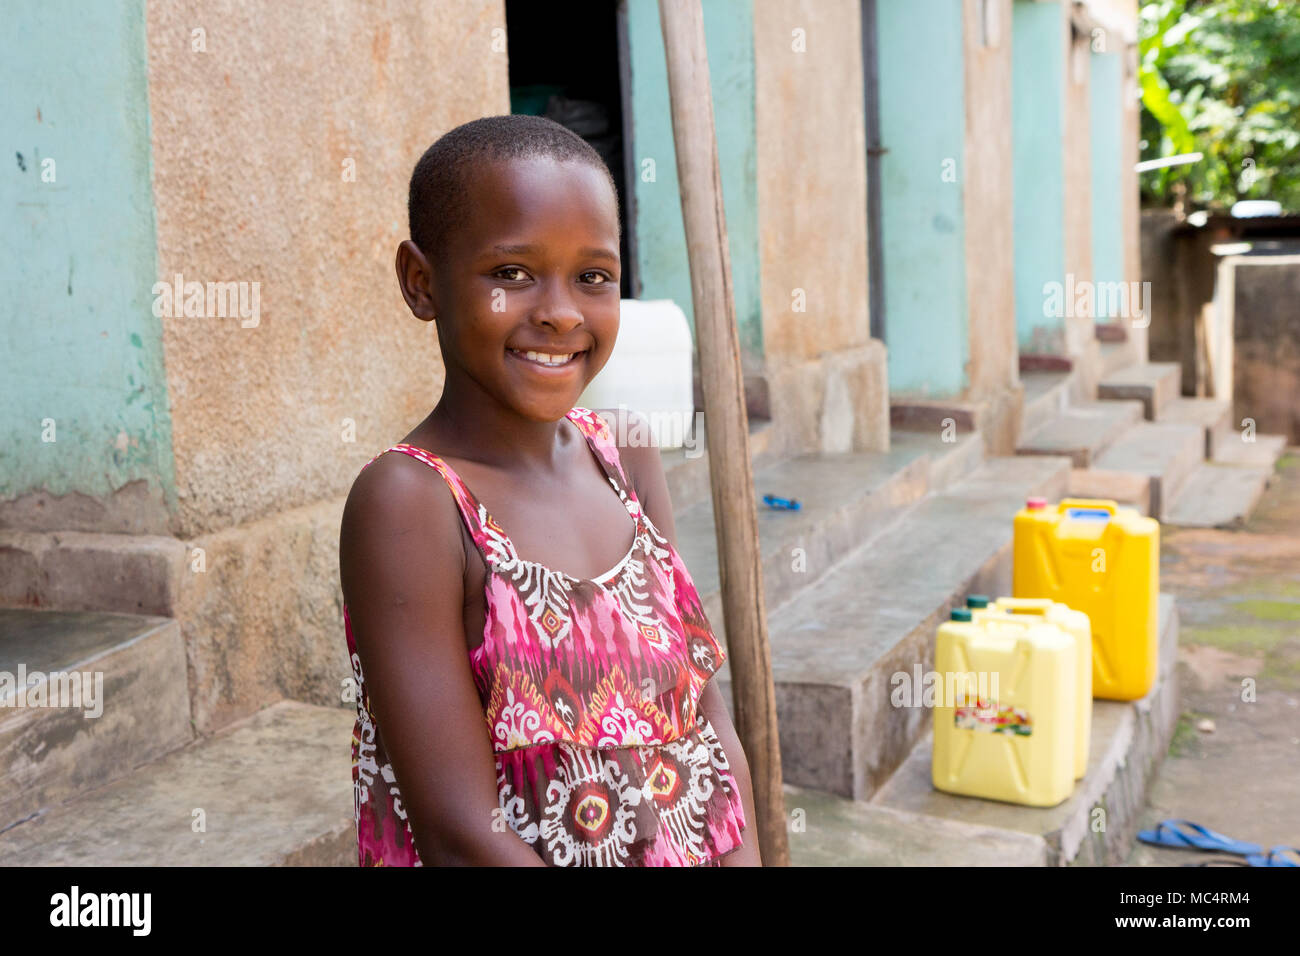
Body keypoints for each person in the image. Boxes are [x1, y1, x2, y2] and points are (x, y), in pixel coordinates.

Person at [338, 114, 760, 866]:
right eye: (511, 274)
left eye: (592, 277)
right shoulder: (411, 504)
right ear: (421, 281)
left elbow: (706, 722)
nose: (561, 312)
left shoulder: (625, 455)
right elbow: (462, 832)